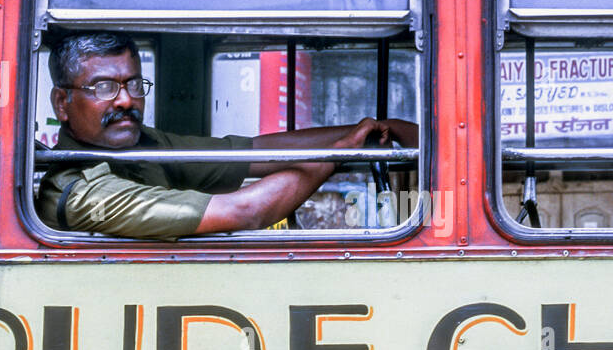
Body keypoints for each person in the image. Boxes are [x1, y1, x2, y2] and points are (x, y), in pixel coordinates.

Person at [37, 32, 417, 238]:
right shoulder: (80, 193)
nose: (124, 100)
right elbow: (245, 211)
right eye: (104, 88)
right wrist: (340, 154)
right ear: (62, 103)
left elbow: (256, 151)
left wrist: (374, 129)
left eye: (133, 84)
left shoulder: (147, 146)